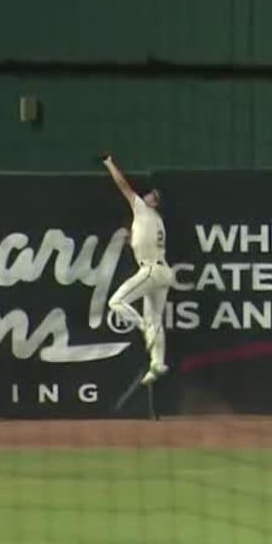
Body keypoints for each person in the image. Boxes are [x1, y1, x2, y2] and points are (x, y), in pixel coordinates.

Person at [101, 153, 174, 385]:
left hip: (152, 270)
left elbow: (123, 186)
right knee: (156, 320)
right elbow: (142, 240)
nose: (148, 195)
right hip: (162, 271)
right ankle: (158, 363)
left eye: (153, 196)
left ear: (154, 203)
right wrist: (131, 240)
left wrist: (110, 164)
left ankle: (142, 326)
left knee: (116, 302)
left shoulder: (143, 209)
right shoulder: (156, 220)